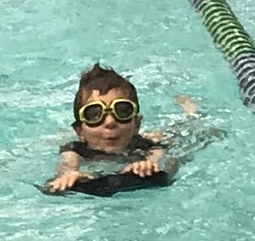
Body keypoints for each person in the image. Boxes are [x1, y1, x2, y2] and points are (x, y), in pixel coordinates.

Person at [45, 63, 197, 195]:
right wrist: (69, 176)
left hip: (147, 141)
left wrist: (146, 166)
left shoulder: (148, 147)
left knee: (181, 131)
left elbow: (163, 166)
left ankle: (191, 113)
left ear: (136, 124)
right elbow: (66, 169)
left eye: (122, 111)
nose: (110, 122)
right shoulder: (74, 150)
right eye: (93, 115)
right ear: (80, 132)